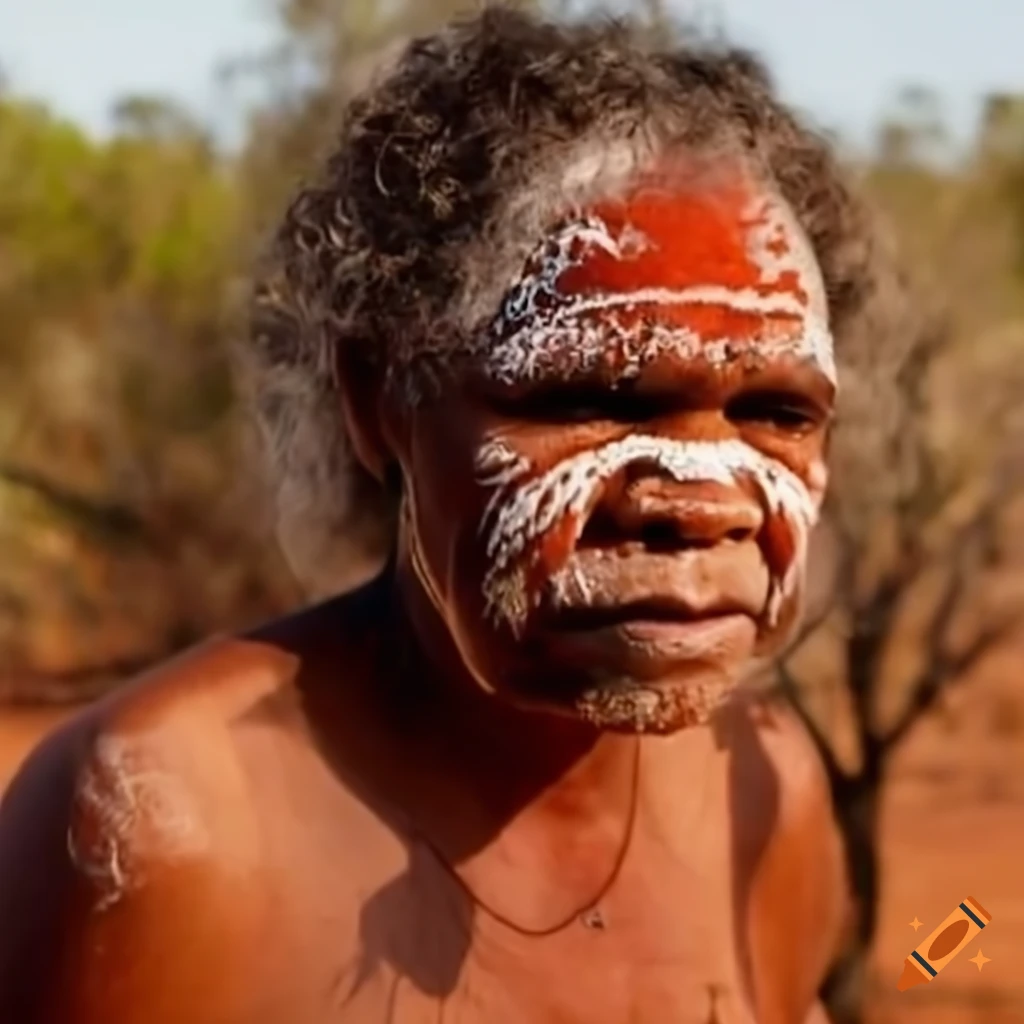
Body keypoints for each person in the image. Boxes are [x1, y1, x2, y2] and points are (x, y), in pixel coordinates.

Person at [0, 7, 880, 1022]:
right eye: (585, 400)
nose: (697, 498)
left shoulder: (764, 793)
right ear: (380, 401)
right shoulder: (168, 826)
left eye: (774, 413)